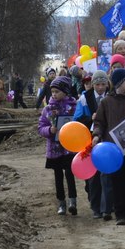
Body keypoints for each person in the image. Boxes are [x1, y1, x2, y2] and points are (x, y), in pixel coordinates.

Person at [91, 68, 125, 225]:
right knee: (117, 182)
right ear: (120, 83)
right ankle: (121, 214)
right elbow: (99, 122)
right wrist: (96, 135)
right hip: (114, 150)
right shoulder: (106, 102)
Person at [39, 76, 79, 215]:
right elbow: (41, 127)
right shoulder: (48, 109)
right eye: (53, 91)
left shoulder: (73, 107)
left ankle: (72, 201)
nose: (54, 94)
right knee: (58, 176)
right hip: (55, 149)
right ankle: (61, 202)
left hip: (69, 148)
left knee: (69, 173)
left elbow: (79, 124)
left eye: (57, 91)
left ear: (66, 91)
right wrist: (50, 130)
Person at [73, 71, 111, 218]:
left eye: (103, 84)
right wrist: (91, 118)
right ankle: (96, 207)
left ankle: (107, 206)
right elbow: (77, 119)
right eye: (97, 84)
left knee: (107, 172)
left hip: (107, 137)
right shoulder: (85, 98)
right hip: (90, 138)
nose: (101, 87)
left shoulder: (110, 96)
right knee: (94, 174)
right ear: (93, 84)